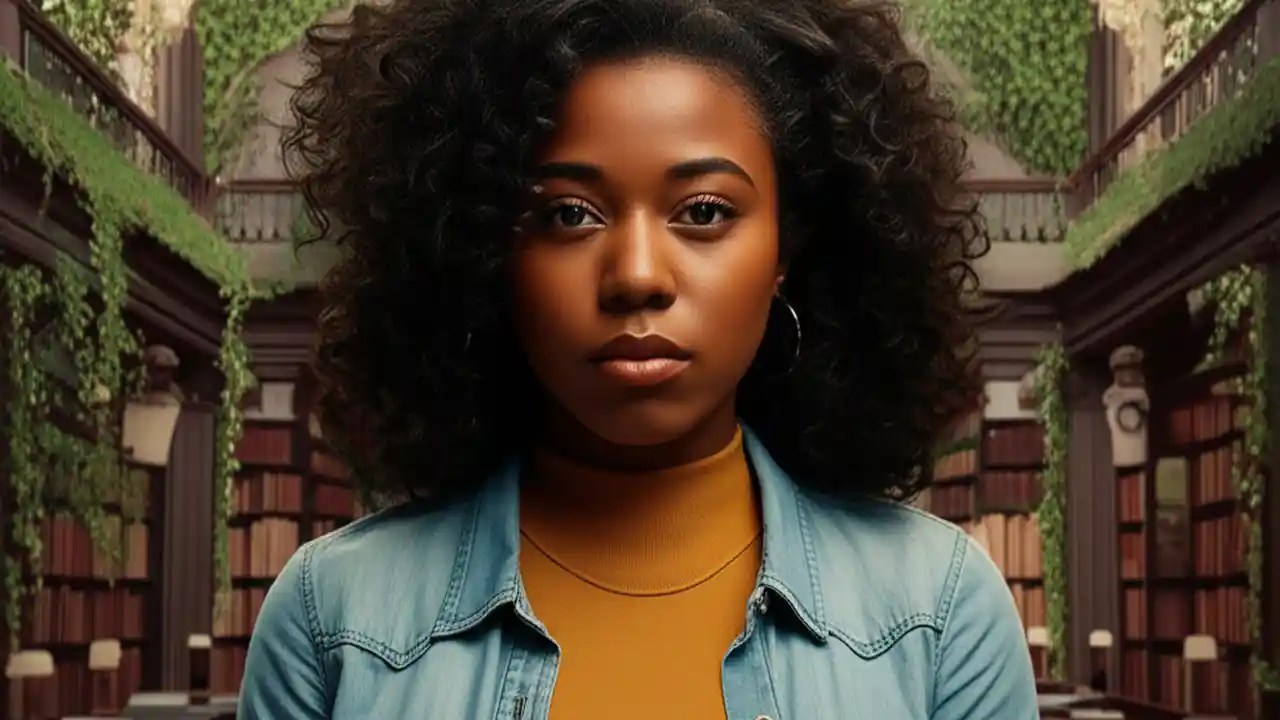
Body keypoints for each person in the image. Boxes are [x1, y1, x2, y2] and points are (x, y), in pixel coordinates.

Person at [239, 0, 1036, 717]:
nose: (637, 276)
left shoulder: (940, 617)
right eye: (568, 214)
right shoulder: (331, 619)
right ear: (485, 248)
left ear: (785, 250)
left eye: (704, 211)